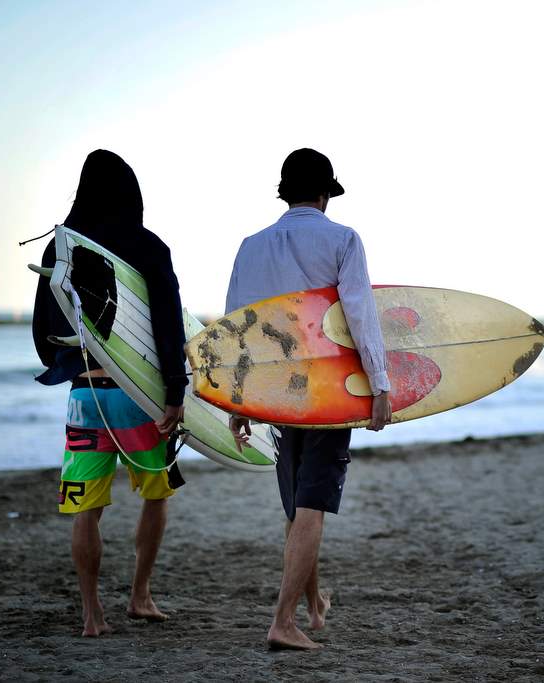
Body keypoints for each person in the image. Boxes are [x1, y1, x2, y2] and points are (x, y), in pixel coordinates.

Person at [227, 148, 392, 650]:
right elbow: (359, 315)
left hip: (276, 394)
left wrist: (237, 401)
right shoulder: (342, 239)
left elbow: (235, 329)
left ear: (286, 194)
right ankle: (283, 622)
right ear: (324, 195)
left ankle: (314, 606)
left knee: (299, 506)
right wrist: (380, 384)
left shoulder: (250, 247)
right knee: (312, 505)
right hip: (326, 393)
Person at [31, 149, 188, 637]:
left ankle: (91, 614)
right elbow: (167, 324)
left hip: (86, 398)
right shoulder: (147, 246)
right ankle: (140, 595)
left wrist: (63, 364)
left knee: (86, 508)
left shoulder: (60, 247)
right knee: (156, 495)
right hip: (138, 400)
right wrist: (176, 390)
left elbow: (45, 327)